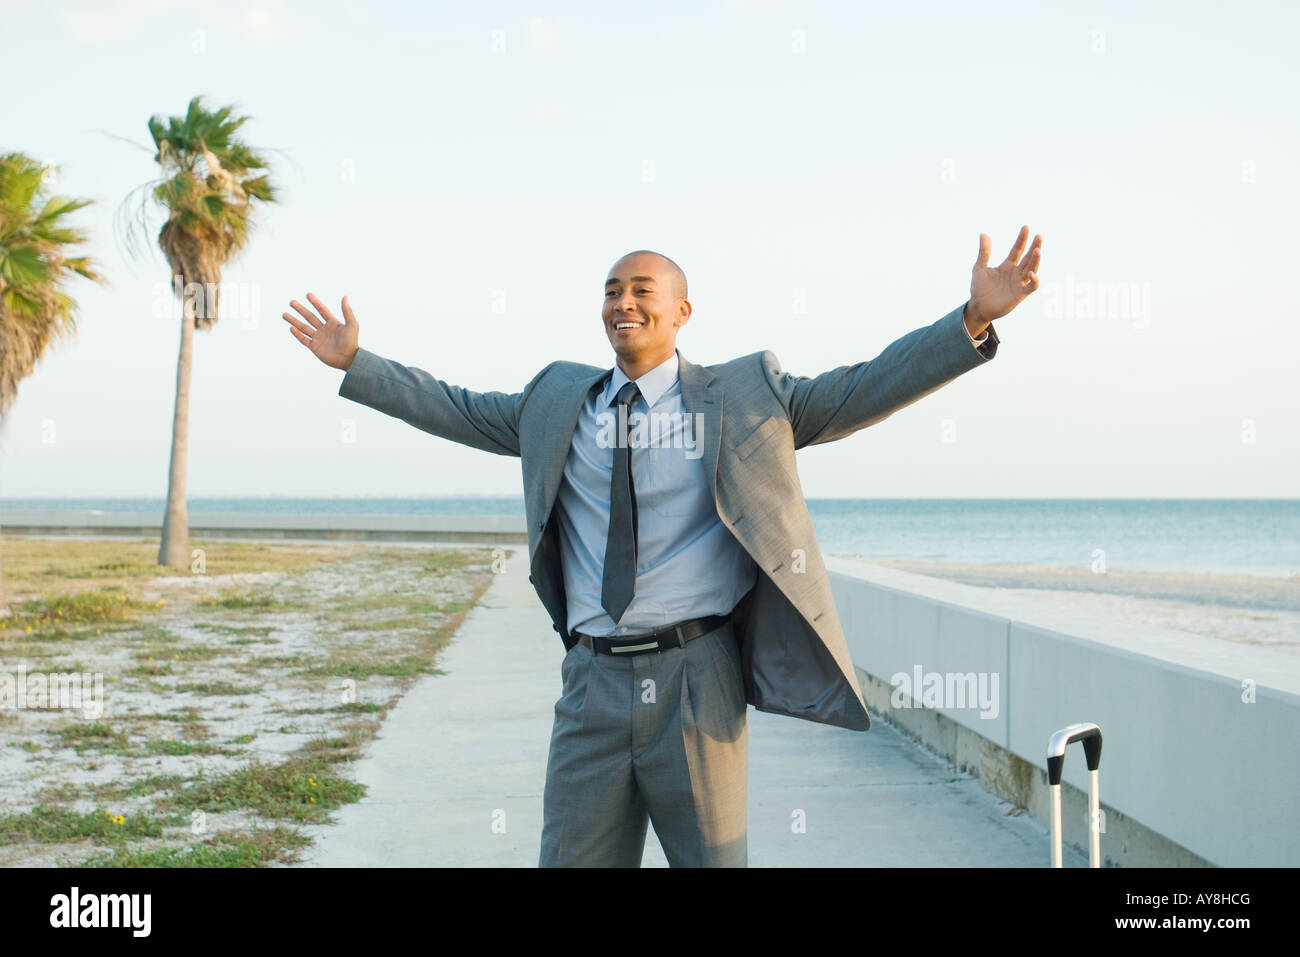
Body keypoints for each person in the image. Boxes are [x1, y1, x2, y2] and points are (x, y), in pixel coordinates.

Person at [281, 227, 1043, 867]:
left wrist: (971, 318)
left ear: (681, 311)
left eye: (643, 289)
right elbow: (455, 407)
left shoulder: (746, 395)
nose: (625, 302)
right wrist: (359, 363)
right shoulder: (555, 399)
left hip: (696, 678)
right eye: (613, 290)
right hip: (590, 682)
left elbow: (863, 387)